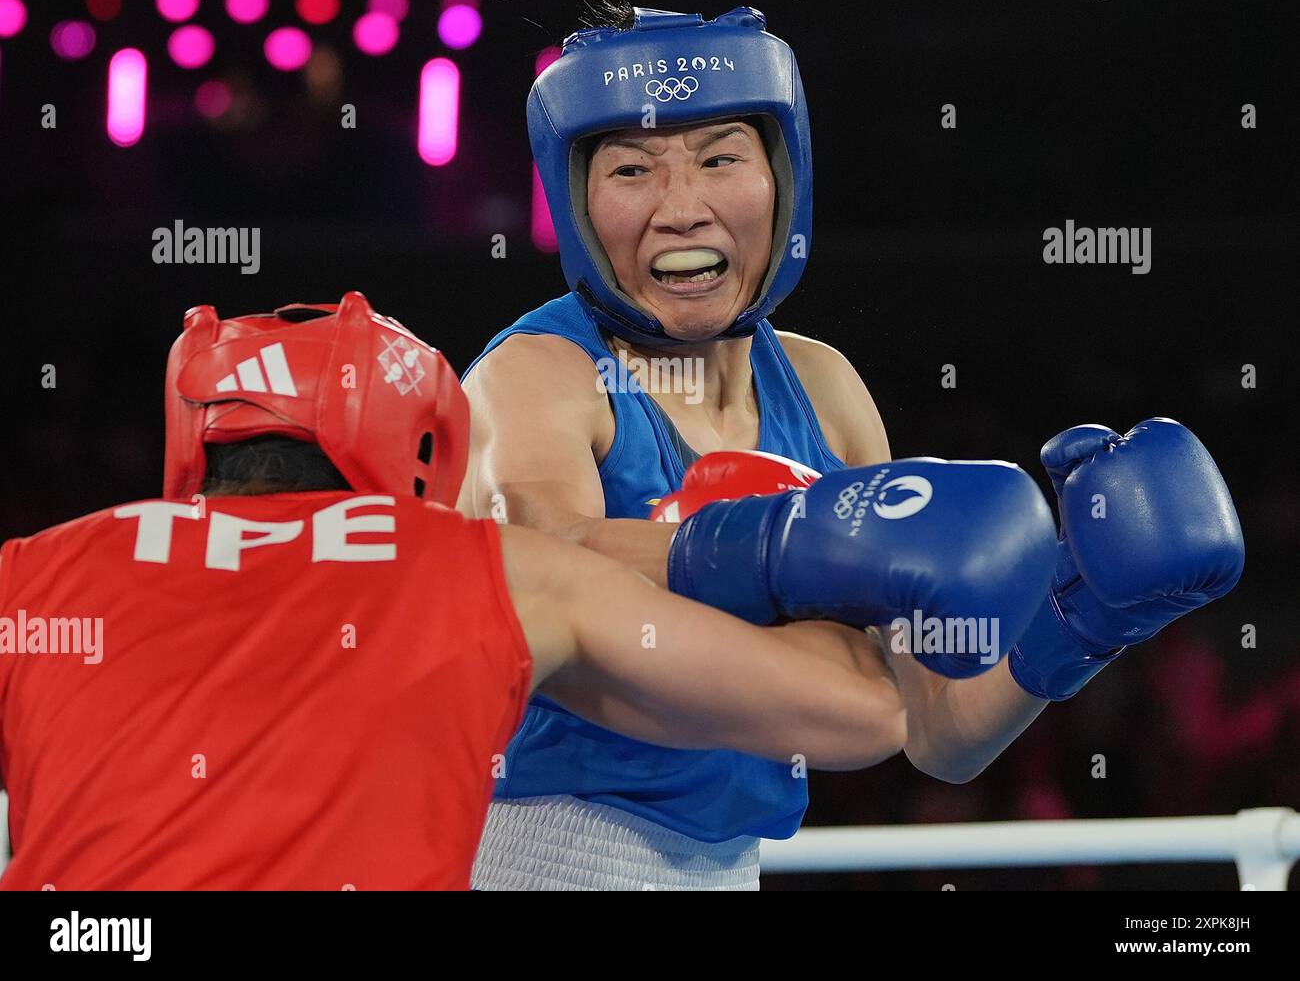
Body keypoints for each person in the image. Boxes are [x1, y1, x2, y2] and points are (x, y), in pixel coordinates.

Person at [460, 1, 1246, 889]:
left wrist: (1082, 617)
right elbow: (526, 562)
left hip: (724, 871)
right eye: (632, 170)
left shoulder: (822, 388)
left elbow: (937, 728)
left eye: (720, 158)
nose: (681, 207)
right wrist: (784, 544)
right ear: (576, 205)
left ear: (780, 180)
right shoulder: (536, 373)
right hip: (526, 853)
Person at [0, 291, 1057, 889]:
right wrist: (772, 549)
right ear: (421, 445)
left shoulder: (31, 576)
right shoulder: (491, 566)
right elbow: (869, 712)